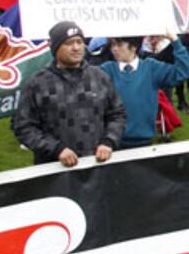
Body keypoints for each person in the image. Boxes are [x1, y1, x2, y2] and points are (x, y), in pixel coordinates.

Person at [14, 21, 126, 166]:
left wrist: (109, 141)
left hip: (97, 167)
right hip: (54, 171)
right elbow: (23, 127)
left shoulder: (100, 77)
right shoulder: (37, 83)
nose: (76, 48)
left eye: (79, 42)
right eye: (69, 43)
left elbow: (117, 114)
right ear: (55, 48)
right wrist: (56, 149)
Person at [100, 33, 189, 149]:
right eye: (112, 44)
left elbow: (183, 71)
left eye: (119, 44)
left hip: (144, 142)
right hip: (112, 142)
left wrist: (175, 40)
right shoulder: (106, 69)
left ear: (134, 46)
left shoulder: (151, 68)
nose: (114, 48)